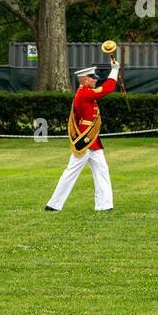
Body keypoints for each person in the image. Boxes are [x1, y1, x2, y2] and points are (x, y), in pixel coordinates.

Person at [45, 59, 120, 212]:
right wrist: (115, 70)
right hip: (84, 141)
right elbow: (107, 89)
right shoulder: (84, 93)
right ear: (85, 79)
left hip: (93, 140)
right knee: (71, 172)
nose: (96, 80)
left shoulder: (86, 93)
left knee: (102, 171)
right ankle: (53, 205)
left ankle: (105, 205)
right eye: (93, 78)